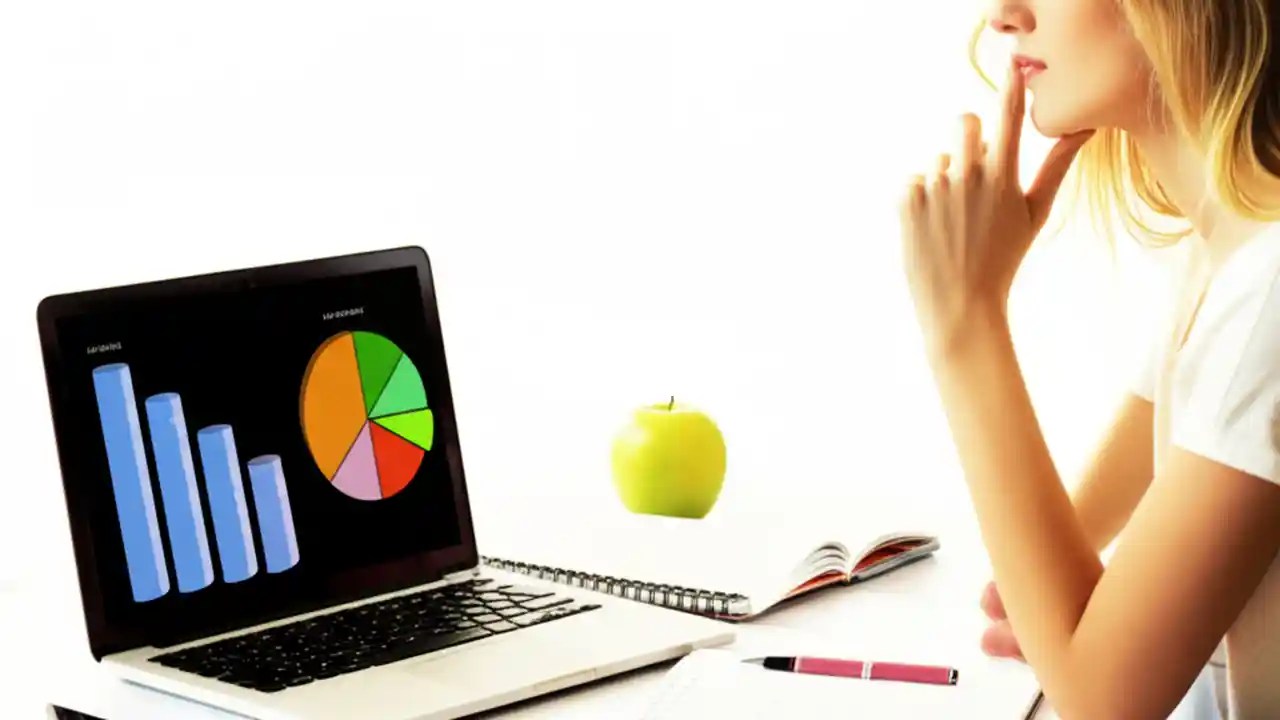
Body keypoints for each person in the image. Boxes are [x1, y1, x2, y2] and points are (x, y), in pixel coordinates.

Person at [897, 1, 1280, 718]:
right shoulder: (1226, 252)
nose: (1003, 16)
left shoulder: (1269, 290)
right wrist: (1049, 601)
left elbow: (1103, 703)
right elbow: (1167, 445)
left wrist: (964, 322)